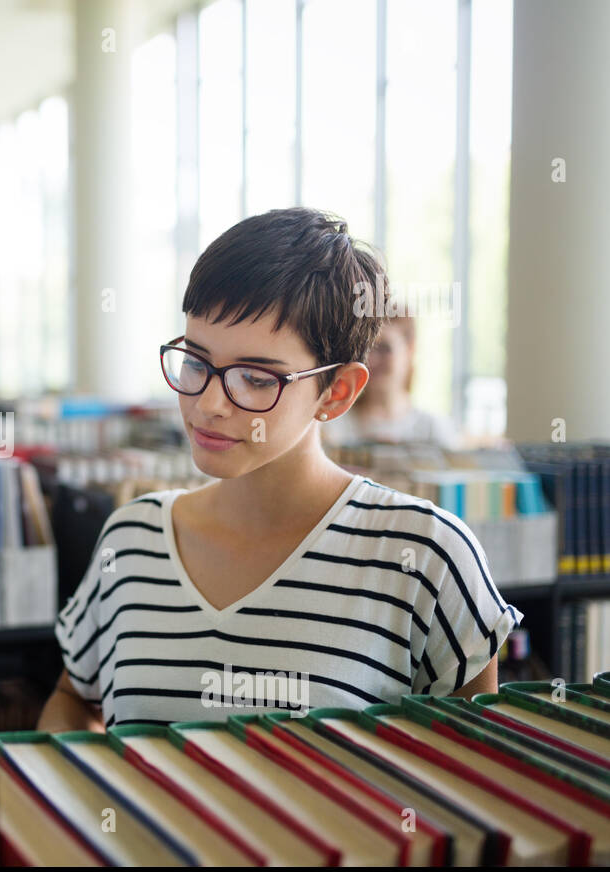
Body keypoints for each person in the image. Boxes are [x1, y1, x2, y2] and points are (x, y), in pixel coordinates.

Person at [39, 207, 521, 732]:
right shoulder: (133, 538)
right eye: (197, 362)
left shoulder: (425, 555)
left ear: (336, 393)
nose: (210, 403)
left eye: (256, 378)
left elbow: (470, 765)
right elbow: (72, 699)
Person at [321, 308, 458, 448]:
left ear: (410, 349)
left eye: (384, 348)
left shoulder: (434, 430)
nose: (371, 360)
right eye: (366, 349)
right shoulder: (331, 429)